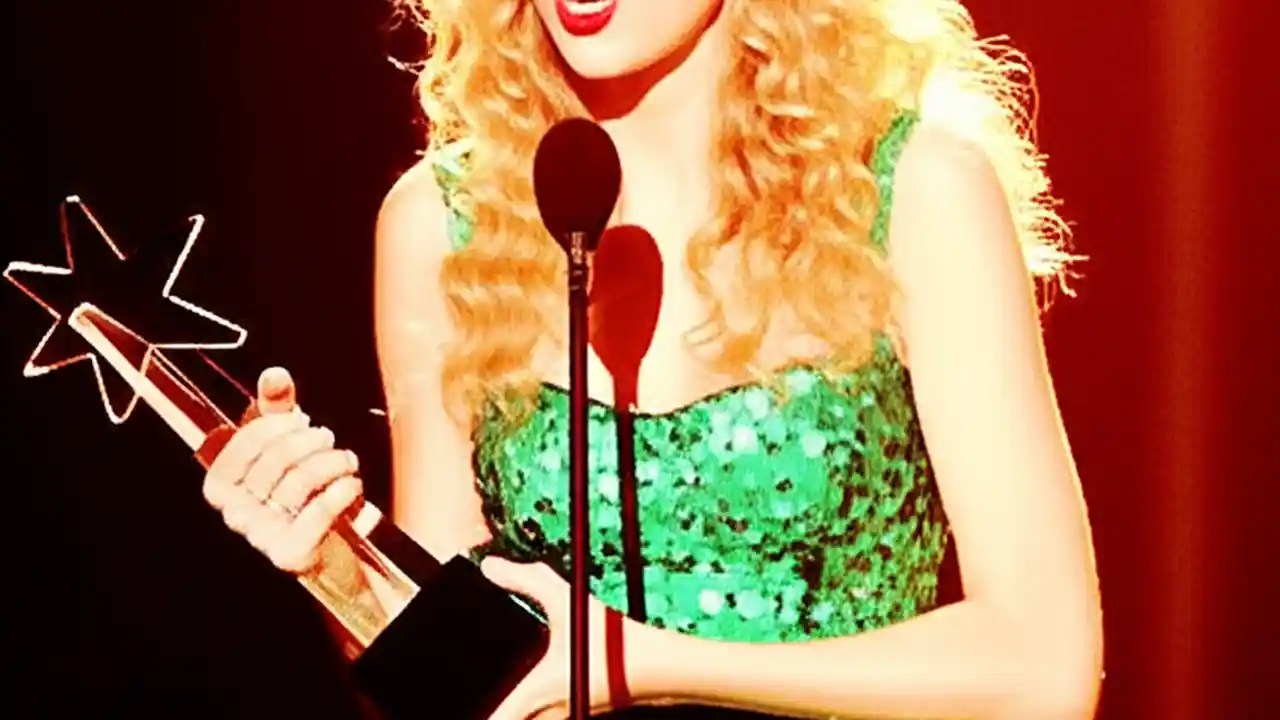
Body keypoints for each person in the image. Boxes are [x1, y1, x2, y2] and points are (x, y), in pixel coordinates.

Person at [201, 0, 1104, 717]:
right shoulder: (443, 227)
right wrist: (336, 566)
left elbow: (1042, 666)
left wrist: (629, 662)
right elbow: (456, 686)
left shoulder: (914, 193)